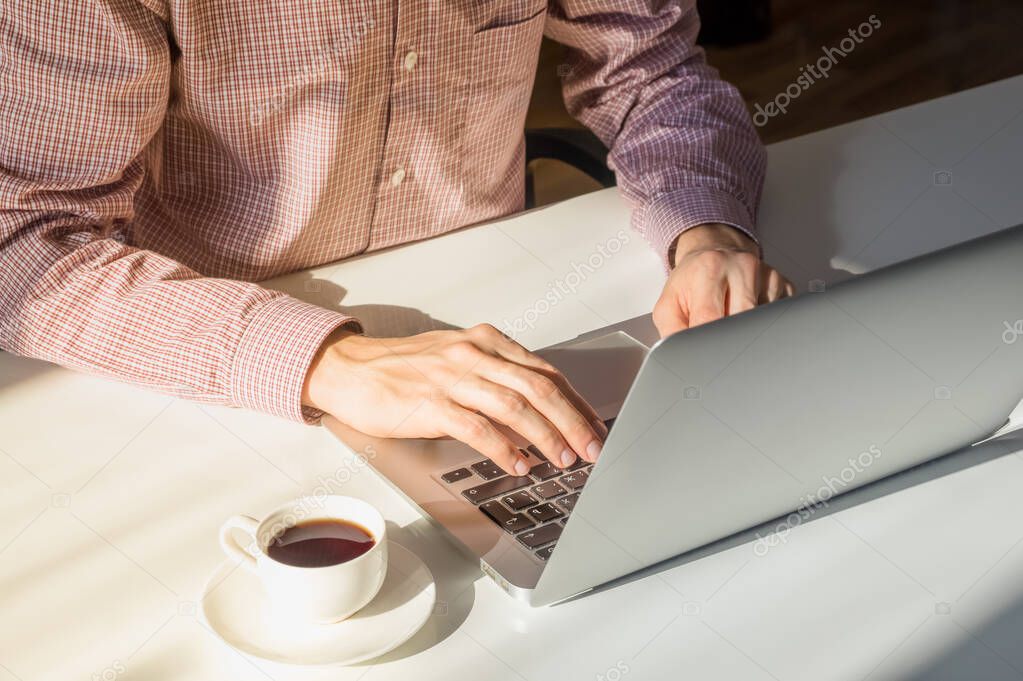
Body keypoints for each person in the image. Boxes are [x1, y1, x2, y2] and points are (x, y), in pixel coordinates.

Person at [0, 1, 792, 476]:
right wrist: (328, 362)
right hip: (208, 368)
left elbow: (648, 72)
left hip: (514, 322)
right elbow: (24, 239)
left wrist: (704, 229)